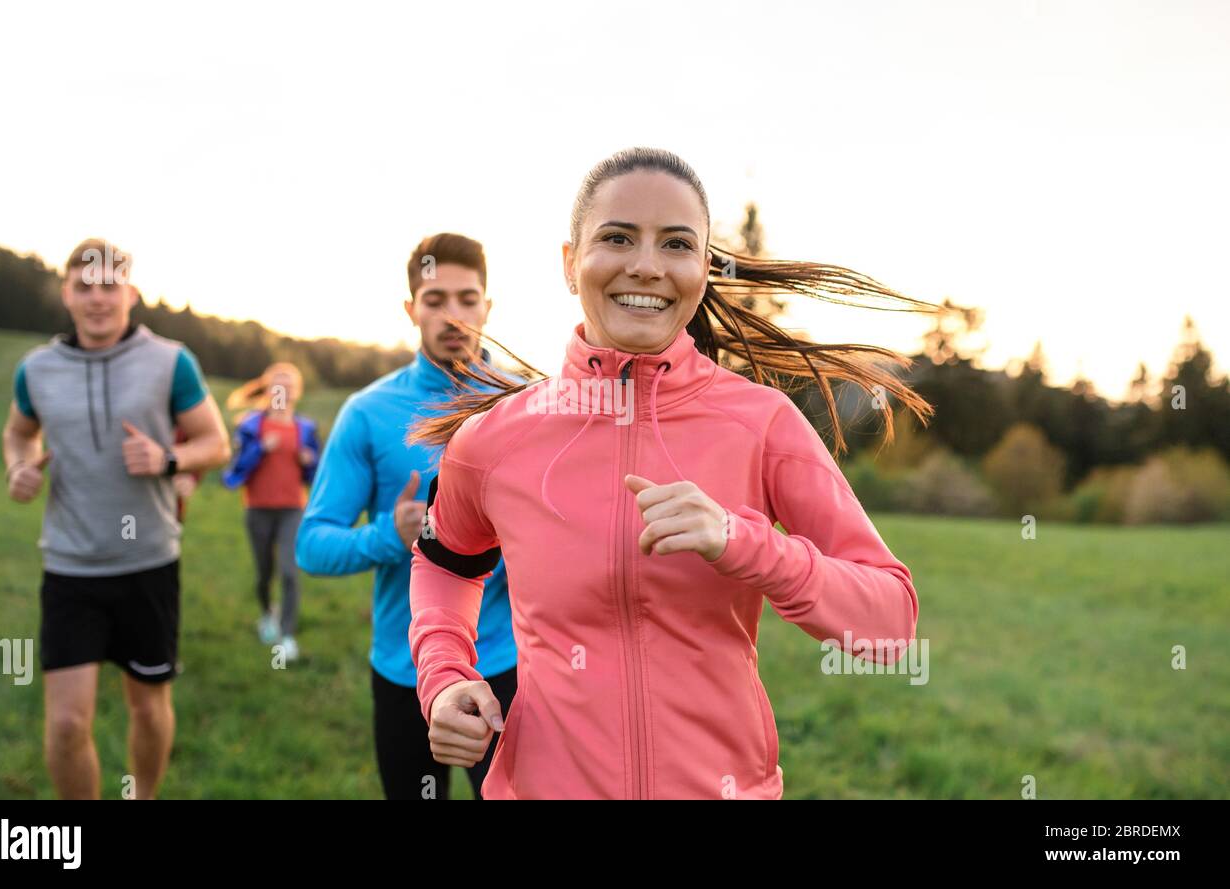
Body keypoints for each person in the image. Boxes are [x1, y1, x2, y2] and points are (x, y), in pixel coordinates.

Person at [407, 147, 938, 799]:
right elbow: (446, 562)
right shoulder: (493, 441)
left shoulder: (762, 424)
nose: (647, 266)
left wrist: (747, 543)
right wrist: (444, 675)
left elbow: (890, 625)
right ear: (571, 263)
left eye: (676, 244)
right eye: (618, 237)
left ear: (703, 269)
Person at [2, 238, 231, 799]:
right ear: (66, 294)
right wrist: (19, 468)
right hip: (69, 566)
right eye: (85, 287)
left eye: (109, 286)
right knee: (65, 724)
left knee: (149, 709)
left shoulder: (170, 361)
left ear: (130, 293)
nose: (98, 299)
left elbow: (215, 442)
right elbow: (17, 433)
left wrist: (168, 459)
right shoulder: (36, 369)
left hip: (147, 562)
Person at [296, 233, 518, 800]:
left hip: (509, 666)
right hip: (403, 670)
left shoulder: (527, 407)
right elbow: (312, 545)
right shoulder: (368, 413)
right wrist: (389, 537)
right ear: (411, 308)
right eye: (435, 298)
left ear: (488, 306)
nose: (453, 315)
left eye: (468, 299)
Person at [222, 362, 320, 659]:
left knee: (290, 571)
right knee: (265, 572)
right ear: (268, 389)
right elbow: (235, 469)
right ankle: (267, 614)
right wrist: (260, 448)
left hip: (292, 509)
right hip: (258, 509)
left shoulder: (306, 429)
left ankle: (287, 636)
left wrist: (309, 460)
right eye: (278, 383)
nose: (284, 388)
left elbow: (316, 474)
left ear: (297, 391)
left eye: (290, 383)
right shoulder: (251, 425)